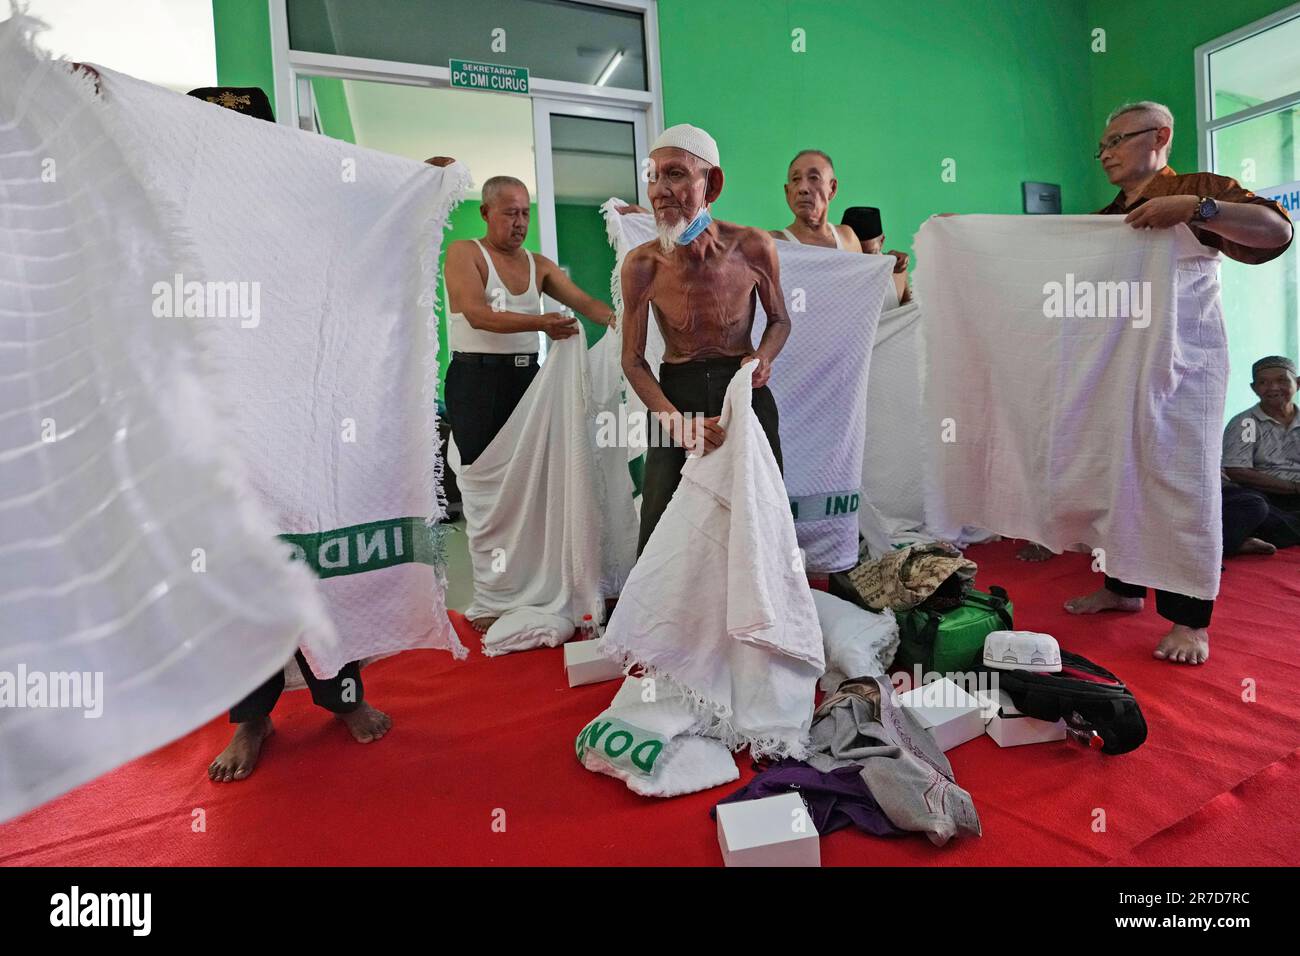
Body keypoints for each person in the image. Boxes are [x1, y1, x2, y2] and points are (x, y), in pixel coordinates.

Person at [199, 87, 402, 780]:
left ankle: (341, 695)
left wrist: (416, 187)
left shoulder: (294, 210)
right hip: (219, 418)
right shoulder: (179, 210)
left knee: (317, 560)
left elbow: (361, 221)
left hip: (298, 413)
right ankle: (251, 719)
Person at [1064, 100, 1294, 666]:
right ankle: (1121, 587)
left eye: (1116, 140)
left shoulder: (1200, 189)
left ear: (1159, 136)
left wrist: (1198, 208)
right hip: (1119, 367)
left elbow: (1278, 232)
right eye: (1102, 146)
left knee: (1182, 484)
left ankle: (1190, 621)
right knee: (1118, 476)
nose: (1106, 154)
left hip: (1185, 362)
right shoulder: (1108, 214)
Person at [442, 175, 615, 630]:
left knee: (533, 489)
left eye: (525, 213)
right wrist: (541, 321)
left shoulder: (538, 264)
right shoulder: (465, 253)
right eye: (509, 213)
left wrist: (627, 319)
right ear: (485, 213)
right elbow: (474, 312)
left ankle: (533, 588)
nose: (519, 222)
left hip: (527, 381)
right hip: (477, 381)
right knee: (484, 490)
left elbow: (589, 304)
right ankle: (491, 596)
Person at [620, 124, 791, 553]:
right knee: (660, 523)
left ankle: (758, 616)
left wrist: (763, 358)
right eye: (653, 176)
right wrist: (675, 423)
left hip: (744, 390)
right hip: (674, 392)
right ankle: (657, 619)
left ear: (711, 183)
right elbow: (633, 361)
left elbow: (779, 320)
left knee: (760, 511)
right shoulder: (641, 265)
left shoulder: (753, 245)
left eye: (675, 174)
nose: (659, 190)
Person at [1221, 355, 1300, 555]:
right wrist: (1294, 487)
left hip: (1293, 500)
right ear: (1254, 389)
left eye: (1282, 380)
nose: (1273, 388)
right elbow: (1238, 471)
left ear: (1297, 384)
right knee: (1254, 508)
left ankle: (1247, 537)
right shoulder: (1246, 423)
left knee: (1273, 520)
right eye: (1263, 382)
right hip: (1262, 495)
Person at [770, 149, 860, 253]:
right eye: (795, 179)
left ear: (833, 188)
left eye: (814, 178)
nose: (802, 188)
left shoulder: (847, 239)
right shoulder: (774, 243)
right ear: (787, 191)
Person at [841, 205, 912, 306]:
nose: (862, 263)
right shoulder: (829, 273)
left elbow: (910, 314)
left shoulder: (897, 273)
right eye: (854, 255)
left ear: (881, 241)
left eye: (870, 254)